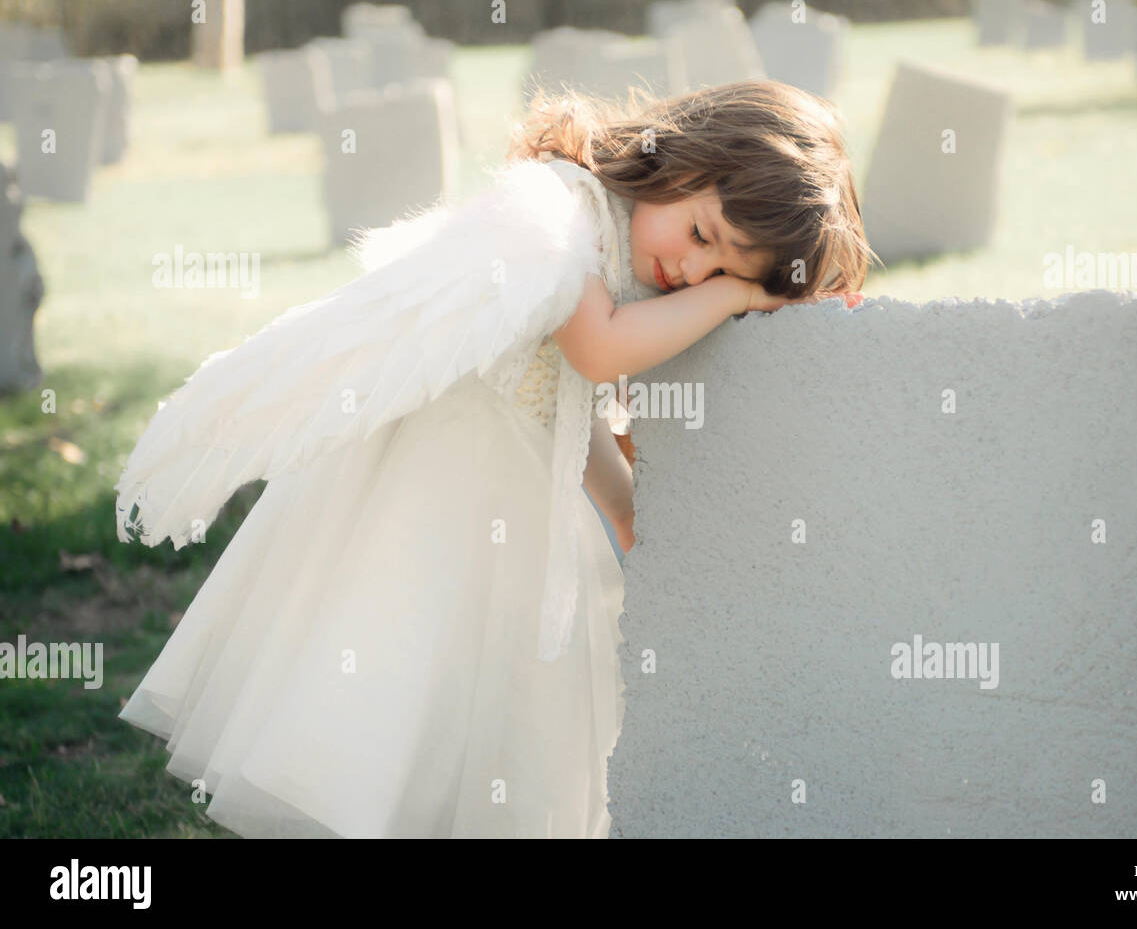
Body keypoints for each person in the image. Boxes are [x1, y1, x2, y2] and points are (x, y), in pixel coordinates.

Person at [114, 78, 872, 838]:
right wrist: (733, 299)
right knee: (390, 685)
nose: (694, 275)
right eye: (705, 239)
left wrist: (623, 507)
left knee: (494, 717)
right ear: (679, 154)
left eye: (724, 272)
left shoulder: (630, 260)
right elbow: (596, 350)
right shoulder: (560, 211)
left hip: (517, 499)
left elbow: (559, 413)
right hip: (435, 495)